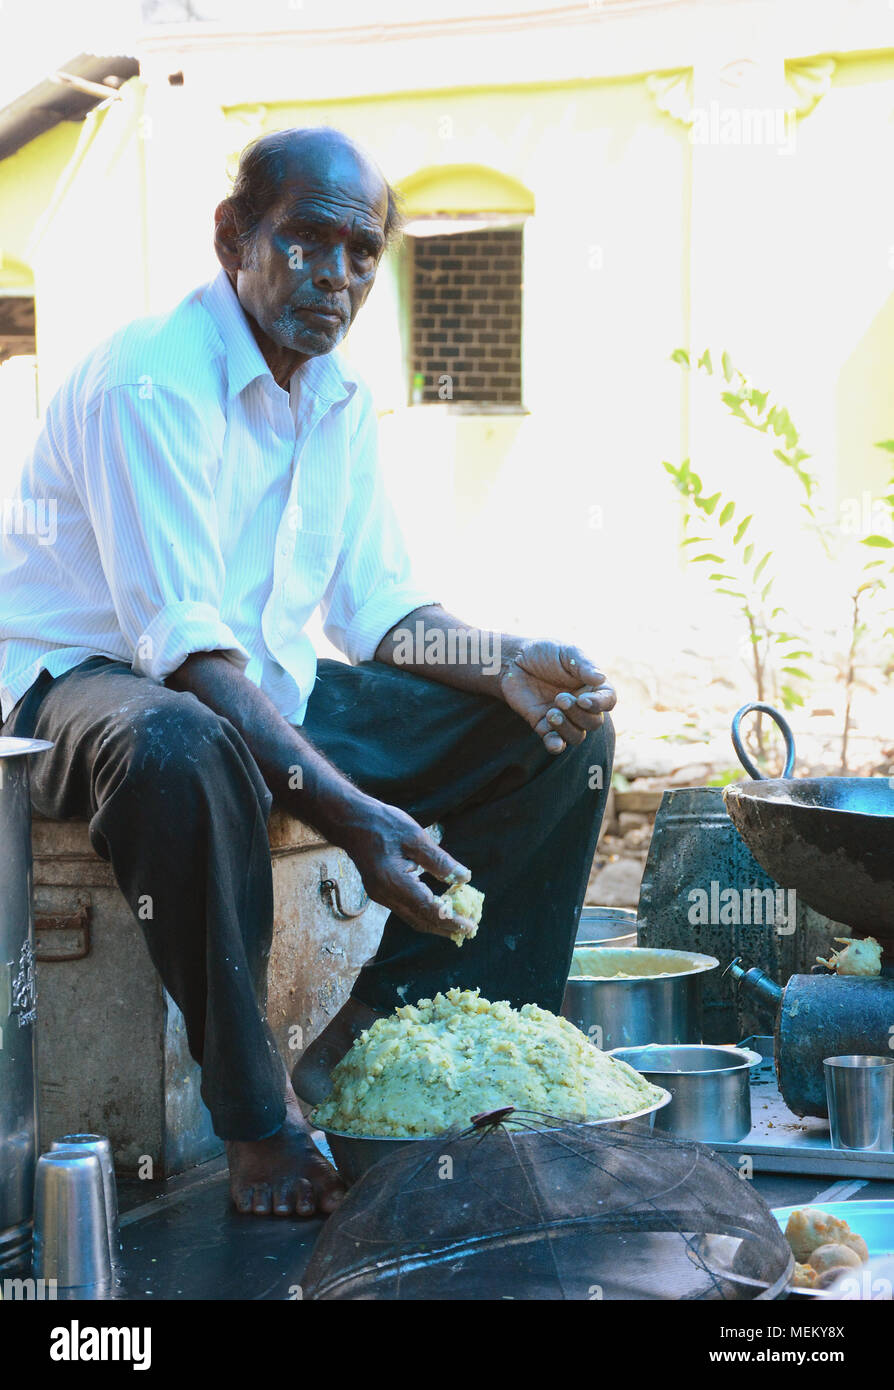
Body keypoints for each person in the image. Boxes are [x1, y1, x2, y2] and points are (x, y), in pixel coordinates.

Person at [0, 127, 616, 1218]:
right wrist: (353, 815)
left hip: (257, 690)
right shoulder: (152, 381)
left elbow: (378, 614)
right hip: (83, 690)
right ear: (237, 237)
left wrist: (508, 662)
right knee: (183, 746)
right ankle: (264, 1120)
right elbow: (184, 656)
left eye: (361, 254)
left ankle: (409, 1057)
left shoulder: (336, 399)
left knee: (554, 732)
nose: (335, 277)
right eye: (307, 242)